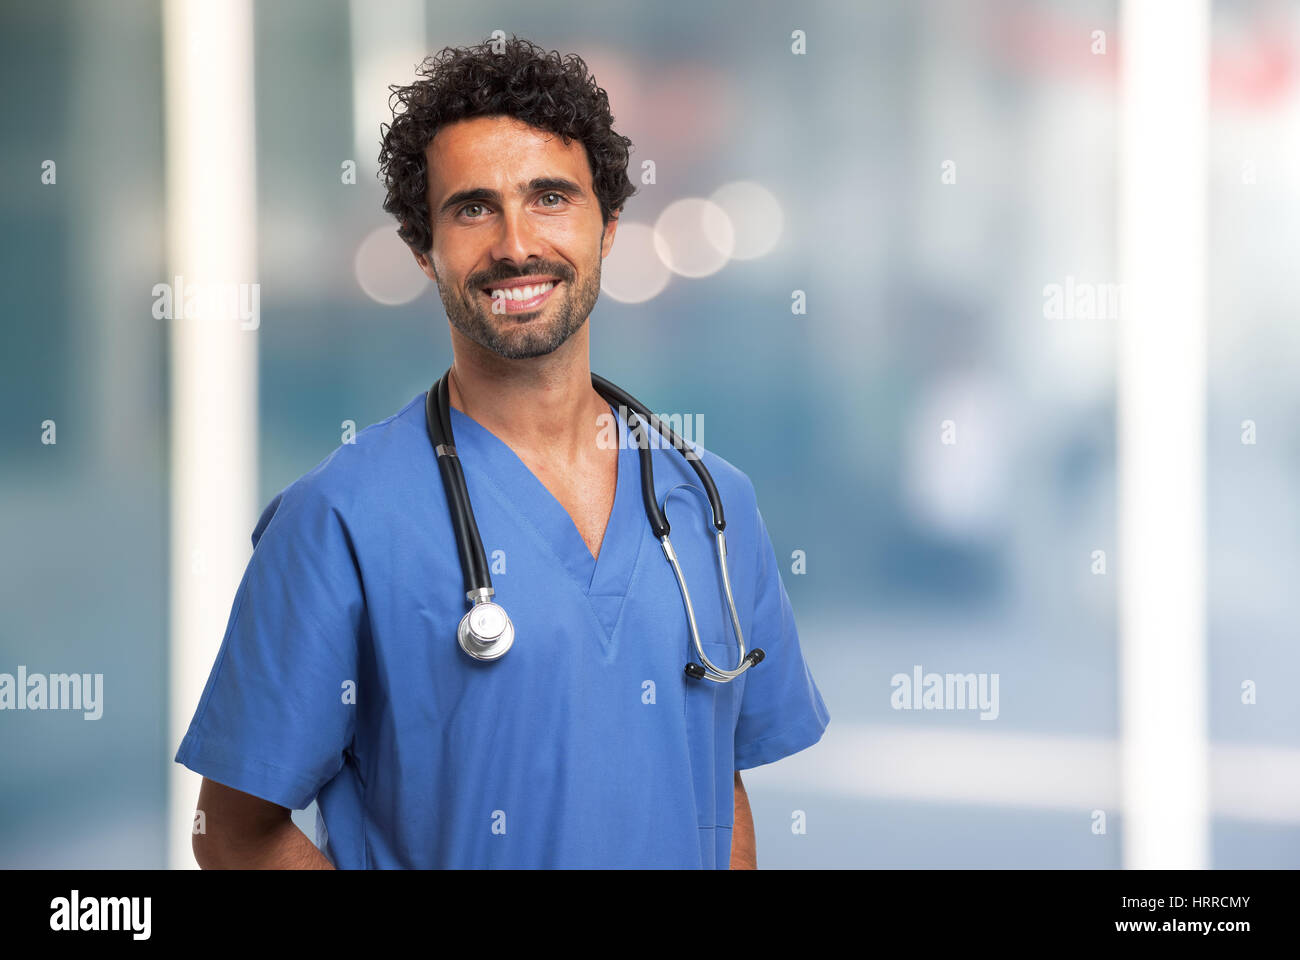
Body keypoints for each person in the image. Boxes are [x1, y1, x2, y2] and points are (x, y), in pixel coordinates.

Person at [175, 34, 829, 869]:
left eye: (550, 197)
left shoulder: (712, 501)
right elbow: (232, 832)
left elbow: (717, 783)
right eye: (473, 207)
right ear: (423, 248)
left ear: (609, 225)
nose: (516, 244)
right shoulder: (338, 519)